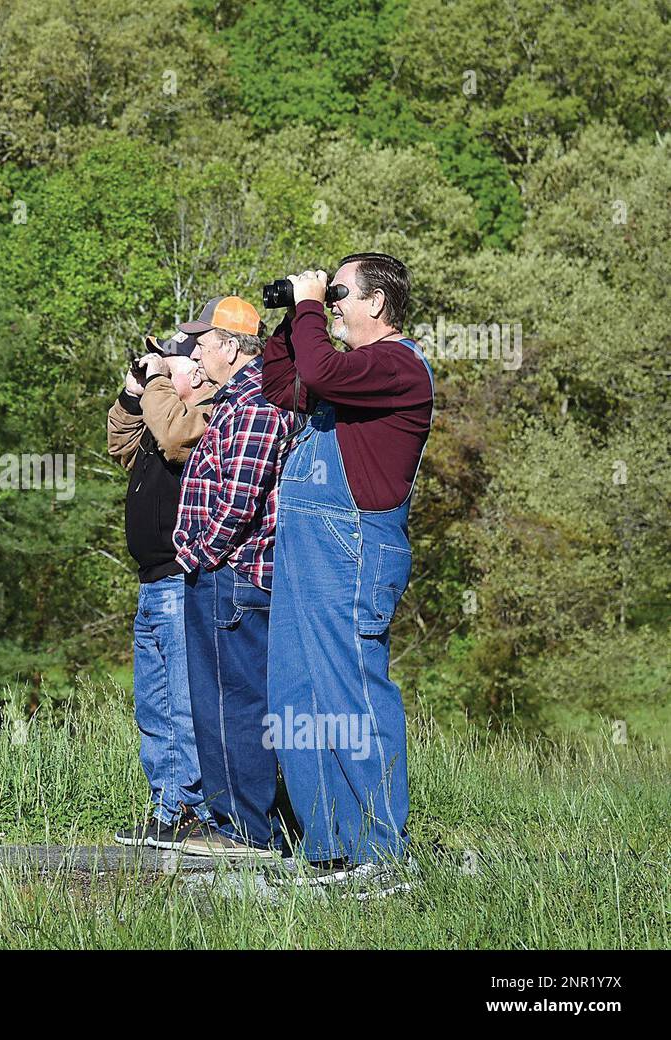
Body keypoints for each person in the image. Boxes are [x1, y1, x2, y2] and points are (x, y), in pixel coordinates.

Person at [260, 253, 434, 890]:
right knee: (296, 700)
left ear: (378, 304)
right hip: (309, 554)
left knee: (352, 696)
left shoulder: (398, 365)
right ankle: (332, 849)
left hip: (356, 548)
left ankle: (385, 856)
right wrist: (291, 317)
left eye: (338, 293)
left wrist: (308, 308)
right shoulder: (348, 374)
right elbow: (285, 385)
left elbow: (319, 367)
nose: (330, 304)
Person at [170, 296, 294, 858]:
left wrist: (201, 554)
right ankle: (235, 823)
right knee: (221, 700)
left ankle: (245, 829)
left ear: (228, 346)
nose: (195, 352)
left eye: (203, 342)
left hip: (232, 575)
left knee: (234, 704)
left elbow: (239, 498)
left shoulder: (256, 403)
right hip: (226, 573)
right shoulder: (238, 401)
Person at [106, 330, 218, 847]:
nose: (158, 368)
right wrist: (133, 390)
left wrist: (156, 384)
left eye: (168, 361)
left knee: (182, 702)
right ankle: (168, 808)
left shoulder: (205, 416)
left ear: (193, 372)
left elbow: (174, 440)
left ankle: (194, 811)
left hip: (181, 579)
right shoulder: (161, 417)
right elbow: (118, 444)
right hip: (151, 584)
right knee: (153, 704)